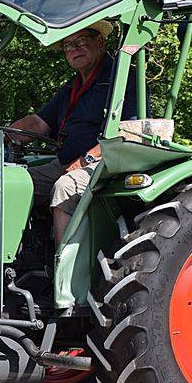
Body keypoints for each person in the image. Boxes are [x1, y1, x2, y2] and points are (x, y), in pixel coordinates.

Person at [8, 21, 139, 244]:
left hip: (106, 164)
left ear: (100, 42)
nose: (74, 49)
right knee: (11, 183)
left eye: (80, 41)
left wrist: (85, 159)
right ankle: (11, 263)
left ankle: (63, 273)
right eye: (68, 45)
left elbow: (129, 132)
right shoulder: (71, 87)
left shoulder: (123, 78)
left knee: (65, 187)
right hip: (66, 161)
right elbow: (39, 123)